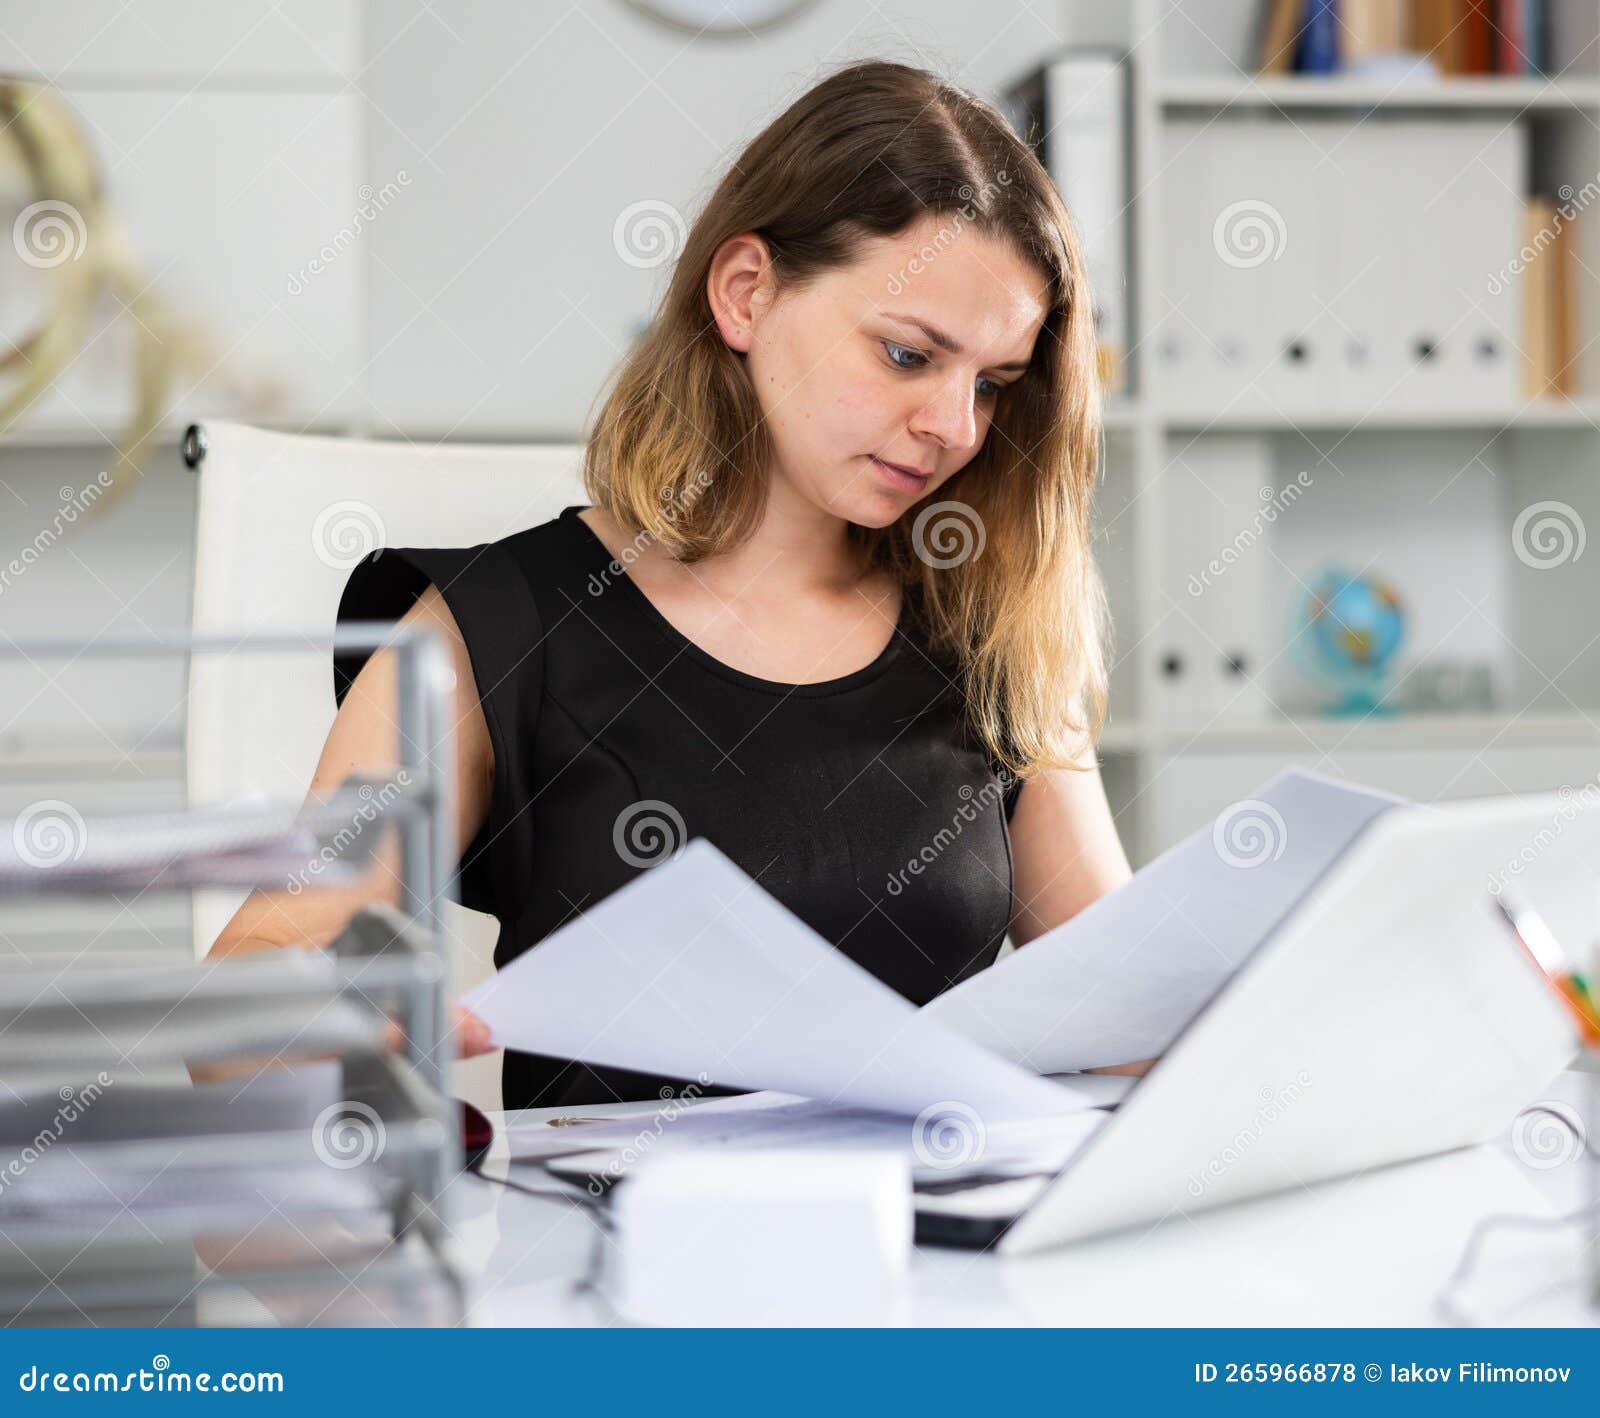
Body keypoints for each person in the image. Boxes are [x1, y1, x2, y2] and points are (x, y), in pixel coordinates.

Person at [205, 58, 1138, 1108]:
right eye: (906, 355)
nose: (955, 427)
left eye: (993, 385)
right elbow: (247, 993)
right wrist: (319, 1021)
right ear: (746, 293)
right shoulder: (491, 630)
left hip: (947, 1211)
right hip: (612, 1218)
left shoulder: (989, 633)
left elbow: (1125, 1019)